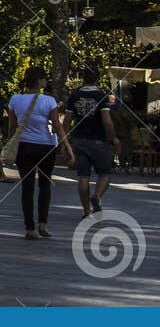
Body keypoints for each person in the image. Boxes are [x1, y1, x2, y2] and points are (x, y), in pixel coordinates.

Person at [7, 66, 67, 240]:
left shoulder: (15, 100)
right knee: (45, 185)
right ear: (39, 81)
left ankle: (29, 227)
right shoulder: (49, 101)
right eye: (44, 79)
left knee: (27, 186)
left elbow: (11, 127)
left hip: (24, 145)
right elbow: (56, 125)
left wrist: (12, 143)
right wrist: (64, 143)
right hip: (46, 146)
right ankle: (43, 223)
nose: (46, 82)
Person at [63, 66, 120, 218]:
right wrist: (112, 137)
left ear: (83, 78)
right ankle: (97, 196)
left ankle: (86, 210)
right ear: (97, 78)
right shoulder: (101, 95)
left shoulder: (74, 96)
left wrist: (66, 140)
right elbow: (107, 121)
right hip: (99, 141)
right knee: (105, 173)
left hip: (79, 140)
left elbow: (67, 121)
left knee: (83, 176)